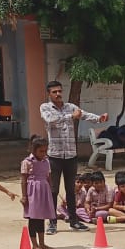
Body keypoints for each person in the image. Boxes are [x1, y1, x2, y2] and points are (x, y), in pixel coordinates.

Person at [40, 81, 108, 234]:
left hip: (71, 155)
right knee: (53, 190)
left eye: (59, 91)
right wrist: (71, 116)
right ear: (49, 94)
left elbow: (84, 114)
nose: (57, 94)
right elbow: (50, 120)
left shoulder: (70, 106)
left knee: (71, 189)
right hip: (54, 156)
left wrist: (99, 118)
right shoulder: (45, 108)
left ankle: (74, 221)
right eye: (54, 92)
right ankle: (52, 222)